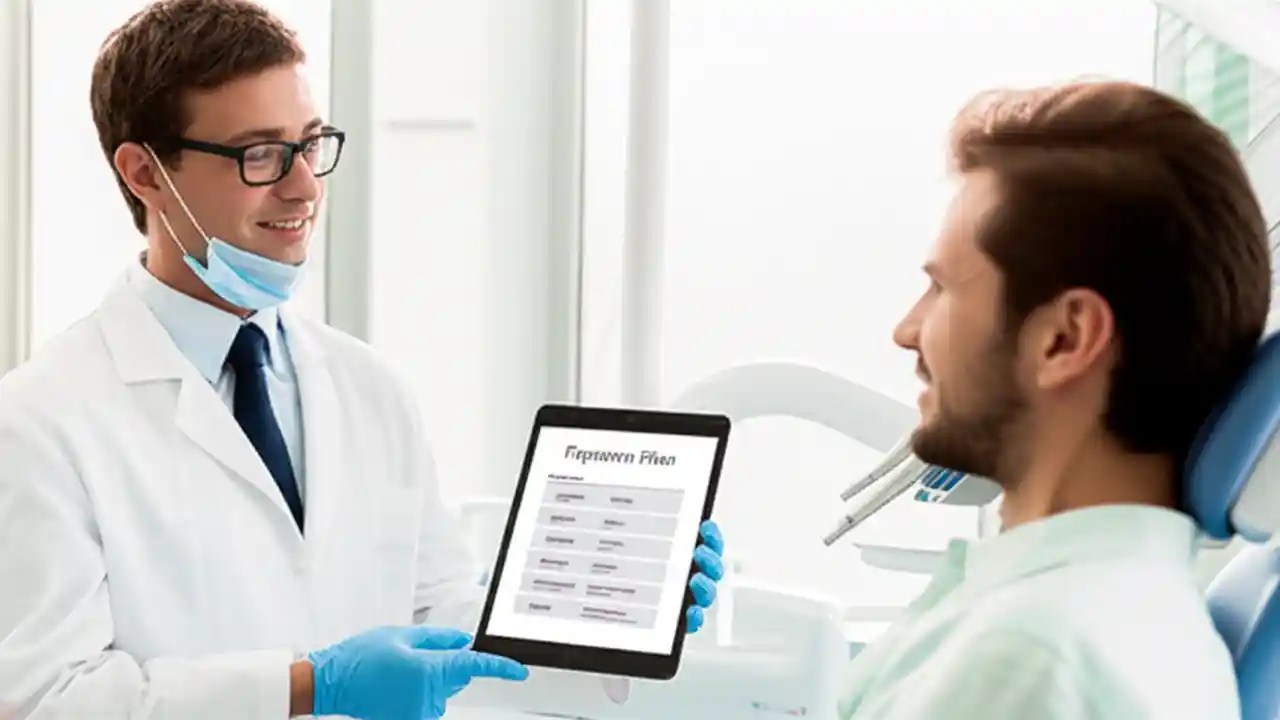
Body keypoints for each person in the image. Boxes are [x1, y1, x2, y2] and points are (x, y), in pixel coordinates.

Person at [0, 2, 725, 719]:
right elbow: (45, 699)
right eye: (261, 155)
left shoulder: (368, 386)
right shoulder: (42, 422)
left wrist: (613, 612)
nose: (305, 187)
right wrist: (314, 687)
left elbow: (449, 625)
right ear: (145, 173)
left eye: (310, 144)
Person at [837, 80, 1272, 718]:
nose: (907, 330)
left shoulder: (1028, 657)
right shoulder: (1117, 613)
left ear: (1064, 339)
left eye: (942, 289)